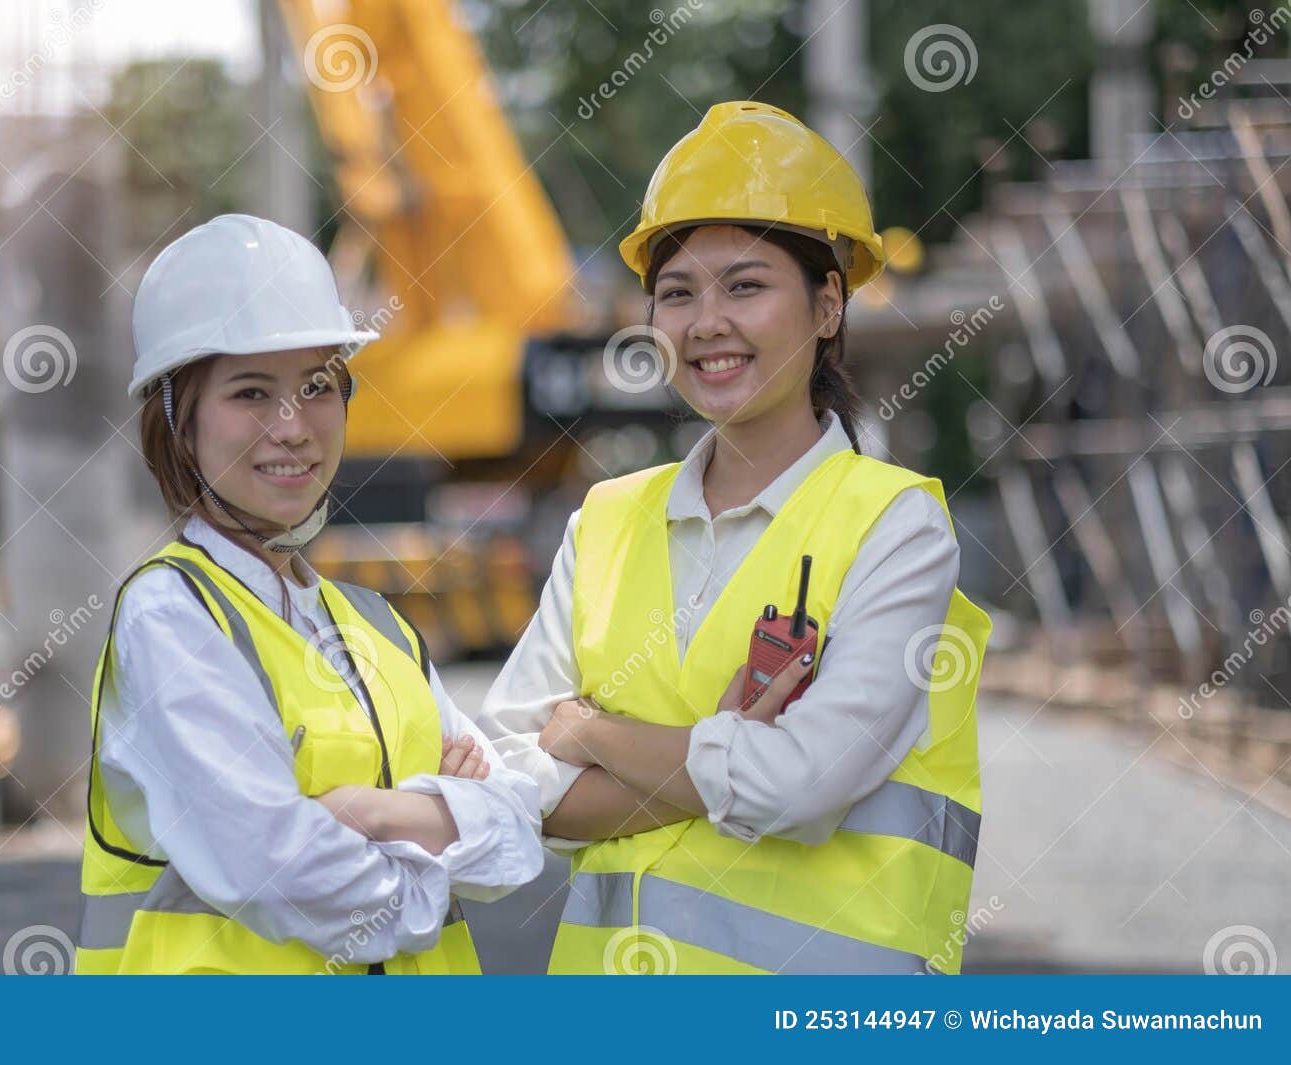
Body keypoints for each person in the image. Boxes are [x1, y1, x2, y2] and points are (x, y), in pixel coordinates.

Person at [478, 102, 993, 974]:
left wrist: (593, 734)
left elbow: (801, 785)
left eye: (746, 285)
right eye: (677, 293)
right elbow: (504, 787)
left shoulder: (895, 525)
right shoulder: (602, 519)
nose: (706, 321)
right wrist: (721, 759)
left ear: (828, 304)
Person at [75, 214, 544, 975]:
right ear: (177, 418)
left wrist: (368, 812)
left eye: (318, 386)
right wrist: (443, 827)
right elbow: (277, 865)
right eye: (252, 392)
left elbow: (521, 825)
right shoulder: (172, 613)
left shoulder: (379, 626)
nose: (293, 426)